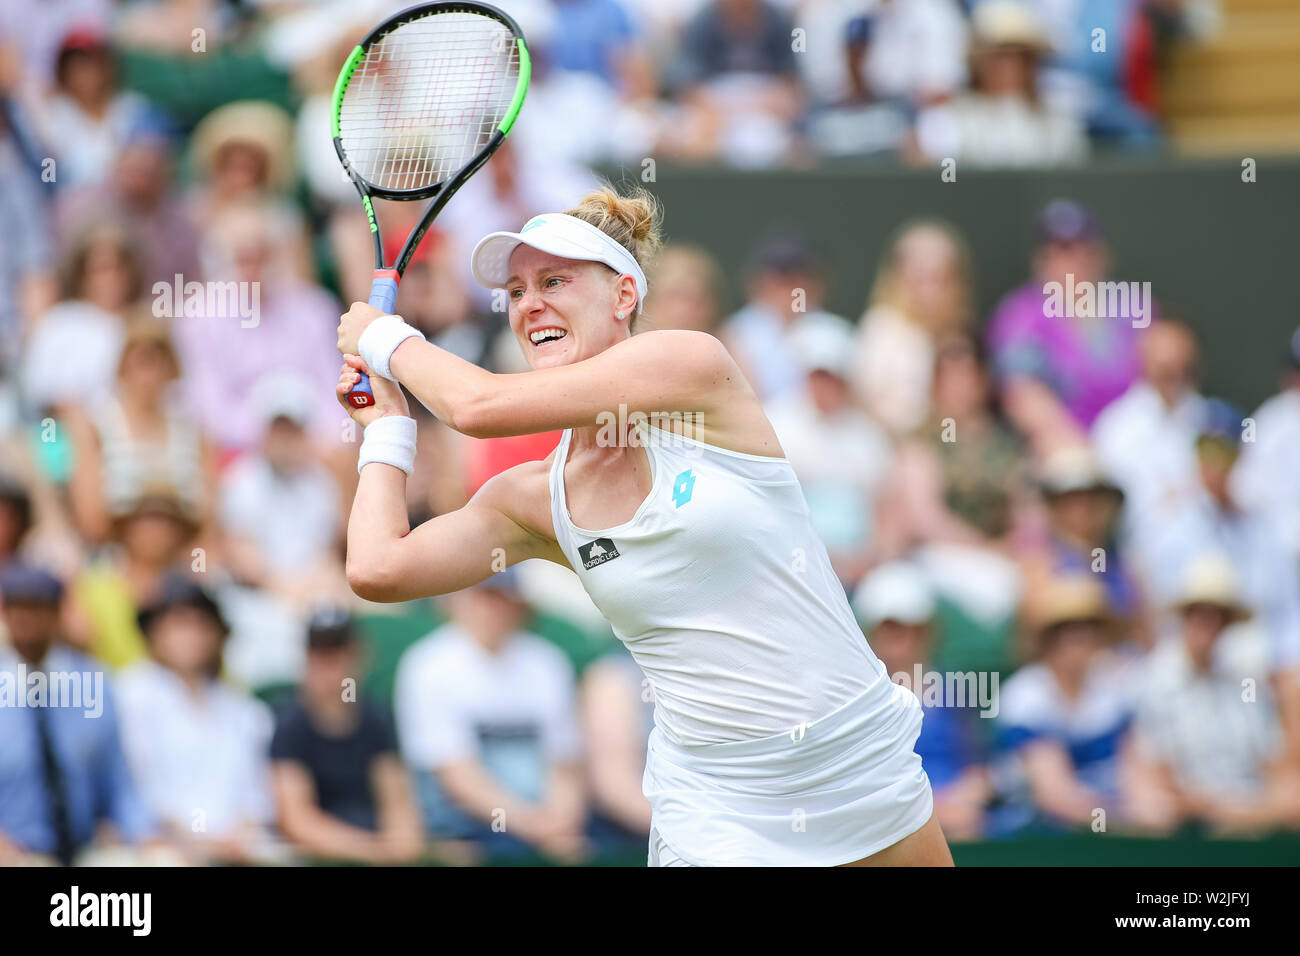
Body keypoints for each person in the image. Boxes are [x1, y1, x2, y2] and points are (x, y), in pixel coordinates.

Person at [335, 184, 952, 866]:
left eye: (555, 280)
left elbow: (476, 404)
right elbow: (377, 569)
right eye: (515, 291)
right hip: (715, 803)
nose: (530, 303)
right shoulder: (534, 501)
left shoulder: (694, 368)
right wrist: (387, 433)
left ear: (624, 296)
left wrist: (381, 336)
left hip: (854, 756)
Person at [394, 570, 587, 863]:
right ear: (459, 601)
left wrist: (561, 821)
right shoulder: (429, 665)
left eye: (502, 598)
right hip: (463, 828)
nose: (492, 608)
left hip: (540, 825)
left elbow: (565, 763)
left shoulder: (547, 662)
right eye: (484, 596)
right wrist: (535, 826)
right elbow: (456, 776)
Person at [1127, 554, 1300, 835]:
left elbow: (1275, 767)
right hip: (1193, 824)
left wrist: (1252, 809)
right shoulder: (1155, 682)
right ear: (1185, 617)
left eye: (1217, 615)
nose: (1208, 622)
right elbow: (1161, 780)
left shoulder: (1243, 685)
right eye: (1199, 612)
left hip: (1245, 814)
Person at [0, 562, 156, 865]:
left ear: (57, 613)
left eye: (38, 607)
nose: (27, 619)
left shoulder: (92, 683)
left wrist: (145, 834)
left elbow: (118, 779)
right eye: (19, 607)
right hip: (15, 851)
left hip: (84, 847)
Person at [114, 574, 276, 864]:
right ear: (154, 632)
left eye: (201, 624)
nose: (190, 636)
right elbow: (141, 791)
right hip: (163, 848)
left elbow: (256, 796)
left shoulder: (244, 711)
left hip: (239, 849)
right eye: (178, 624)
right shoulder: (132, 694)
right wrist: (197, 842)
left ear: (218, 635)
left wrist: (240, 834)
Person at [270, 609, 426, 864]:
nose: (330, 666)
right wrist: (376, 851)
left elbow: (399, 806)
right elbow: (298, 821)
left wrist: (402, 844)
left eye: (338, 653)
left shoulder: (376, 721)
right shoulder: (289, 726)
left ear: (359, 655)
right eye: (321, 654)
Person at [853, 563, 994, 841]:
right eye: (891, 630)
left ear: (928, 631)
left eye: (911, 629)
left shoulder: (958, 691)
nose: (903, 640)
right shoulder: (859, 700)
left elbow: (980, 770)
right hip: (891, 822)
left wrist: (963, 799)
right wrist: (933, 812)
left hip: (960, 817)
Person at [992, 575, 1139, 835]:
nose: (1081, 639)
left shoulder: (1114, 693)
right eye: (1069, 630)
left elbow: (1136, 771)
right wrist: (1127, 820)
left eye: (1089, 629)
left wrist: (1150, 810)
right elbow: (1054, 797)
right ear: (1050, 639)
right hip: (1036, 834)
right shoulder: (1024, 695)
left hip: (1105, 824)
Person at [911, 0, 1088, 168]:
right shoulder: (949, 122)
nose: (1011, 68)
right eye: (1000, 57)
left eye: (1022, 58)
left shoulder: (1060, 125)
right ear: (978, 63)